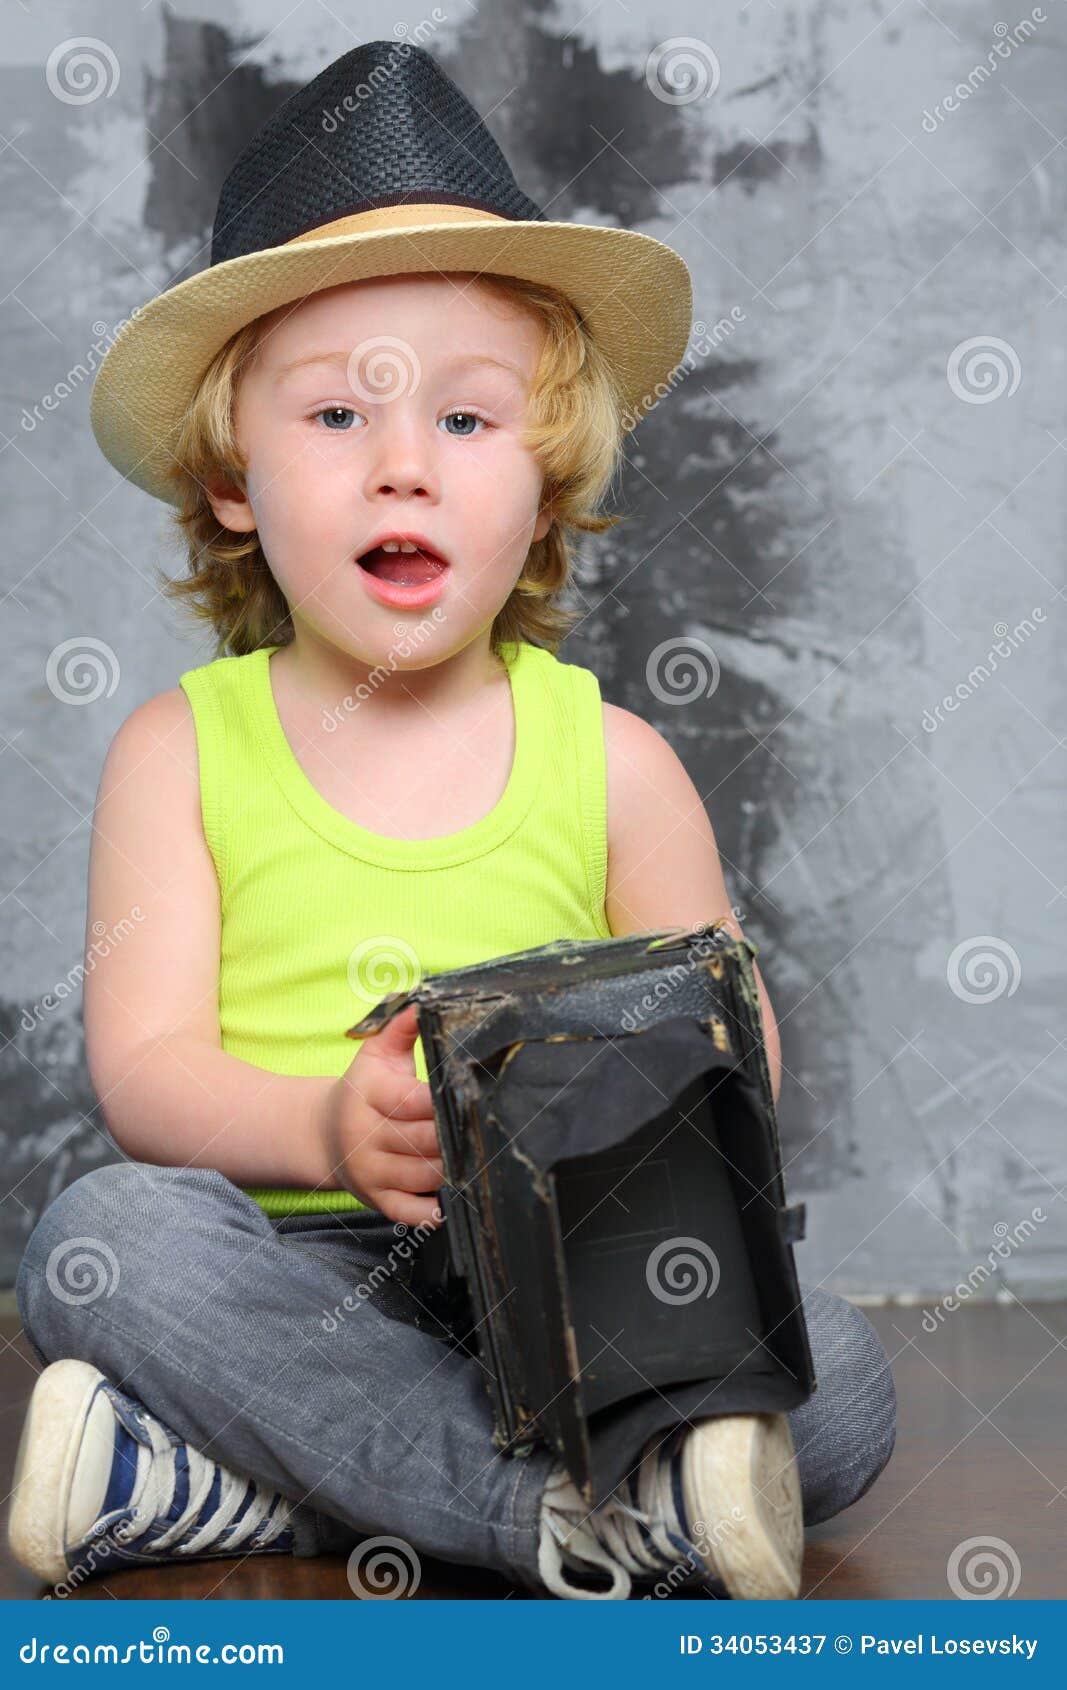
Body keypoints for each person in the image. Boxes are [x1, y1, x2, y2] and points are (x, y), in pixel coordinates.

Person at [7, 40, 896, 1601]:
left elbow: (733, 1047)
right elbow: (144, 1073)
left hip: (574, 1283)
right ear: (233, 477)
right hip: (299, 1271)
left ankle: (221, 1478)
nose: (405, 465)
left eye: (470, 425)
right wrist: (327, 1130)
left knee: (853, 1390)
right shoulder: (180, 748)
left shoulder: (613, 759)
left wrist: (685, 1062)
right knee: (104, 1235)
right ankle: (562, 1520)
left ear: (547, 490)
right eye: (339, 416)